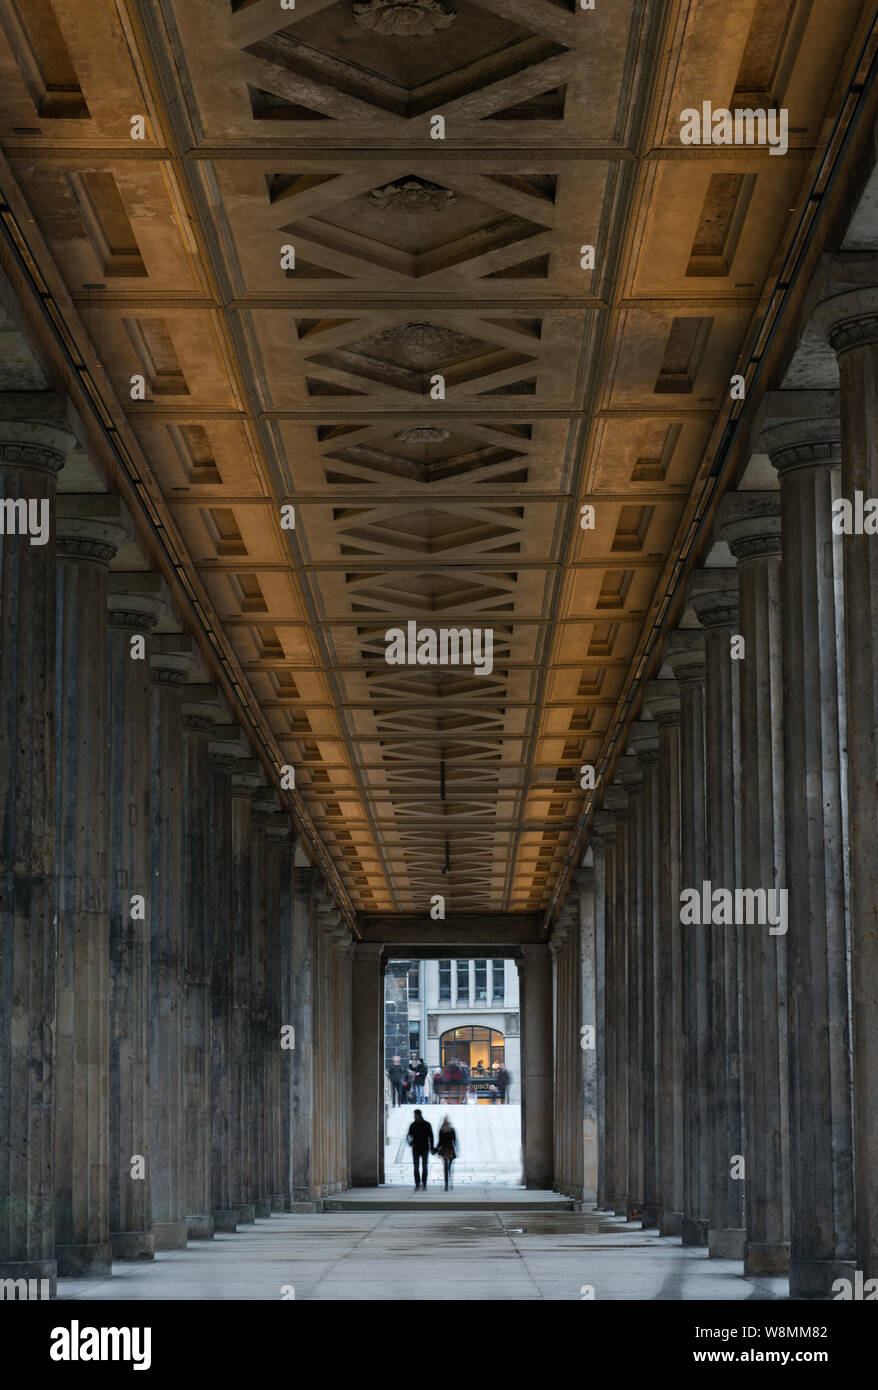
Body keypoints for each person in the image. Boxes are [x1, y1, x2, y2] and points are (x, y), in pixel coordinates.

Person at [407, 1109, 435, 1190]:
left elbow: (431, 1137)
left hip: (424, 1148)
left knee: (424, 1166)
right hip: (416, 1148)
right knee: (416, 1167)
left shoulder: (426, 1124)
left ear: (418, 1115)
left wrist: (432, 1148)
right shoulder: (413, 1125)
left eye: (415, 1115)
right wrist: (410, 1143)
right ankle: (417, 1183)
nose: (414, 1117)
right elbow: (408, 1135)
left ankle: (424, 1183)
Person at [435, 1115, 458, 1191]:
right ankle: (448, 1183)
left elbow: (440, 1142)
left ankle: (447, 1183)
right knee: (448, 1167)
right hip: (450, 1149)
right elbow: (454, 1141)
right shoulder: (452, 1130)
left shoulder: (442, 1130)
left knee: (446, 1167)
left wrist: (435, 1149)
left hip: (445, 1149)